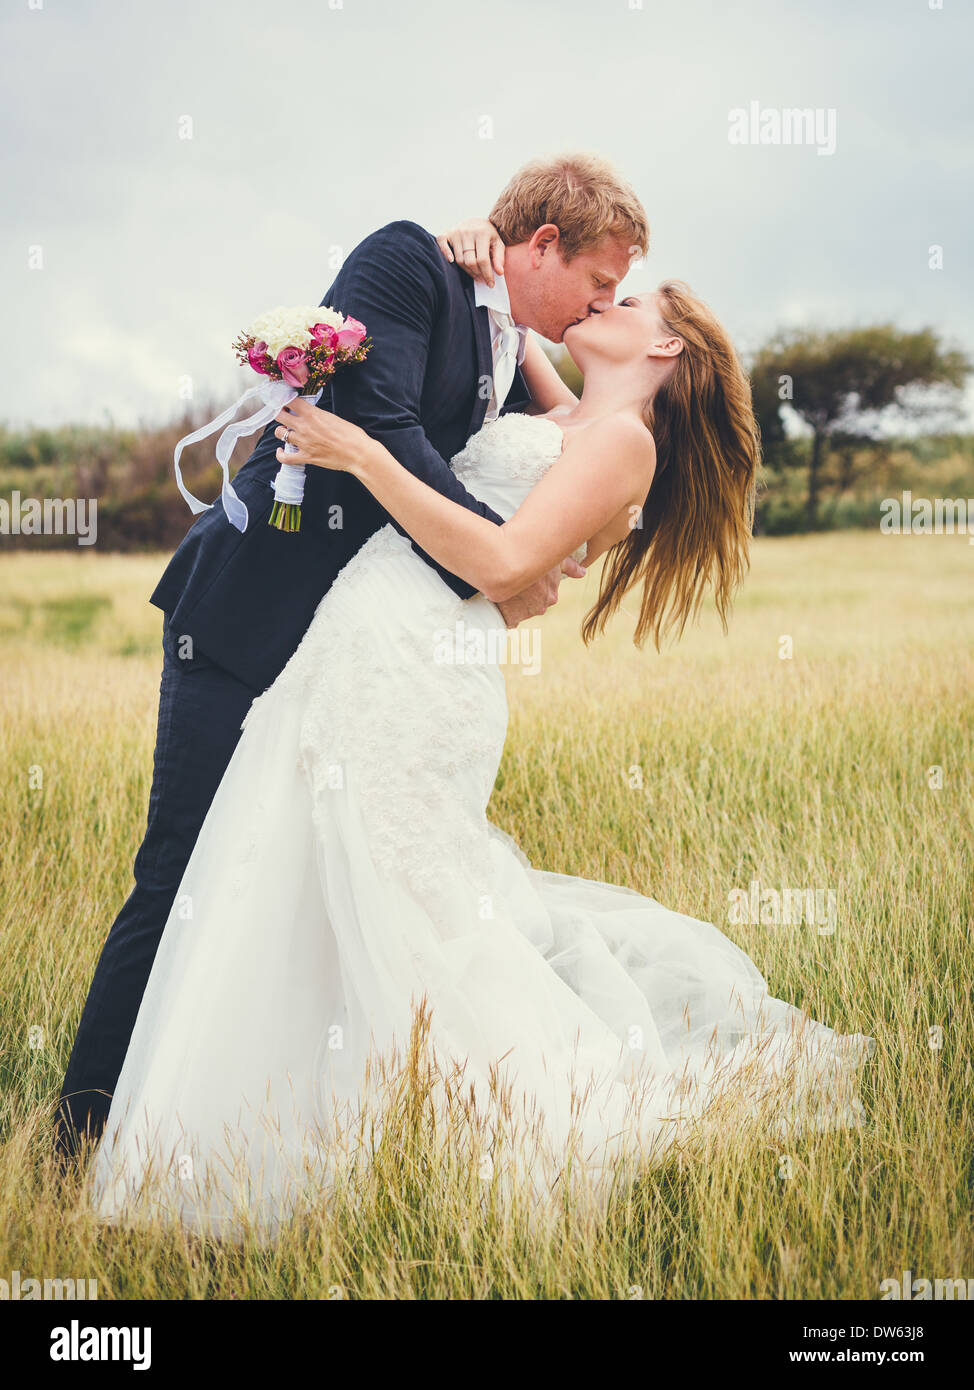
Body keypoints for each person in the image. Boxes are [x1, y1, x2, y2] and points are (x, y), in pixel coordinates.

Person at [87, 269, 873, 1235]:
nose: (601, 306)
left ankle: (460, 1126)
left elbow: (502, 562)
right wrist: (484, 255)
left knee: (398, 891)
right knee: (301, 864)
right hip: (358, 639)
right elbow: (515, 343)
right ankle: (298, 1119)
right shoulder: (576, 410)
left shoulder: (626, 443)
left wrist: (361, 455)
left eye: (626, 305)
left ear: (664, 349)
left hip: (422, 671)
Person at [54, 154, 649, 1160]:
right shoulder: (405, 260)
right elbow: (379, 424)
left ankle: (258, 1124)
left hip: (352, 655)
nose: (601, 302)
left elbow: (544, 448)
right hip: (245, 622)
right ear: (540, 246)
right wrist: (497, 573)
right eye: (596, 281)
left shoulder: (506, 340)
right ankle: (82, 1130)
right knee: (181, 874)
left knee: (293, 883)